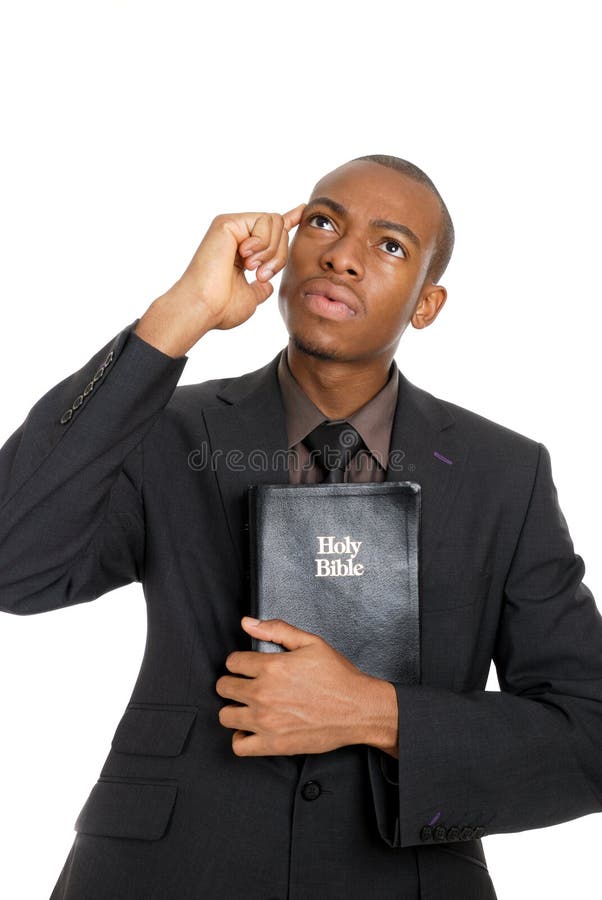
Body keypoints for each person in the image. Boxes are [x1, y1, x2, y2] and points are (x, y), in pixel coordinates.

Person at [1, 155, 600, 899]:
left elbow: (589, 730)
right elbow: (12, 564)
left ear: (427, 304)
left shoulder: (504, 474)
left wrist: (378, 714)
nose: (341, 254)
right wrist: (177, 318)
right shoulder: (169, 431)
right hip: (165, 871)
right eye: (322, 221)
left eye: (389, 246)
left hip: (403, 876)